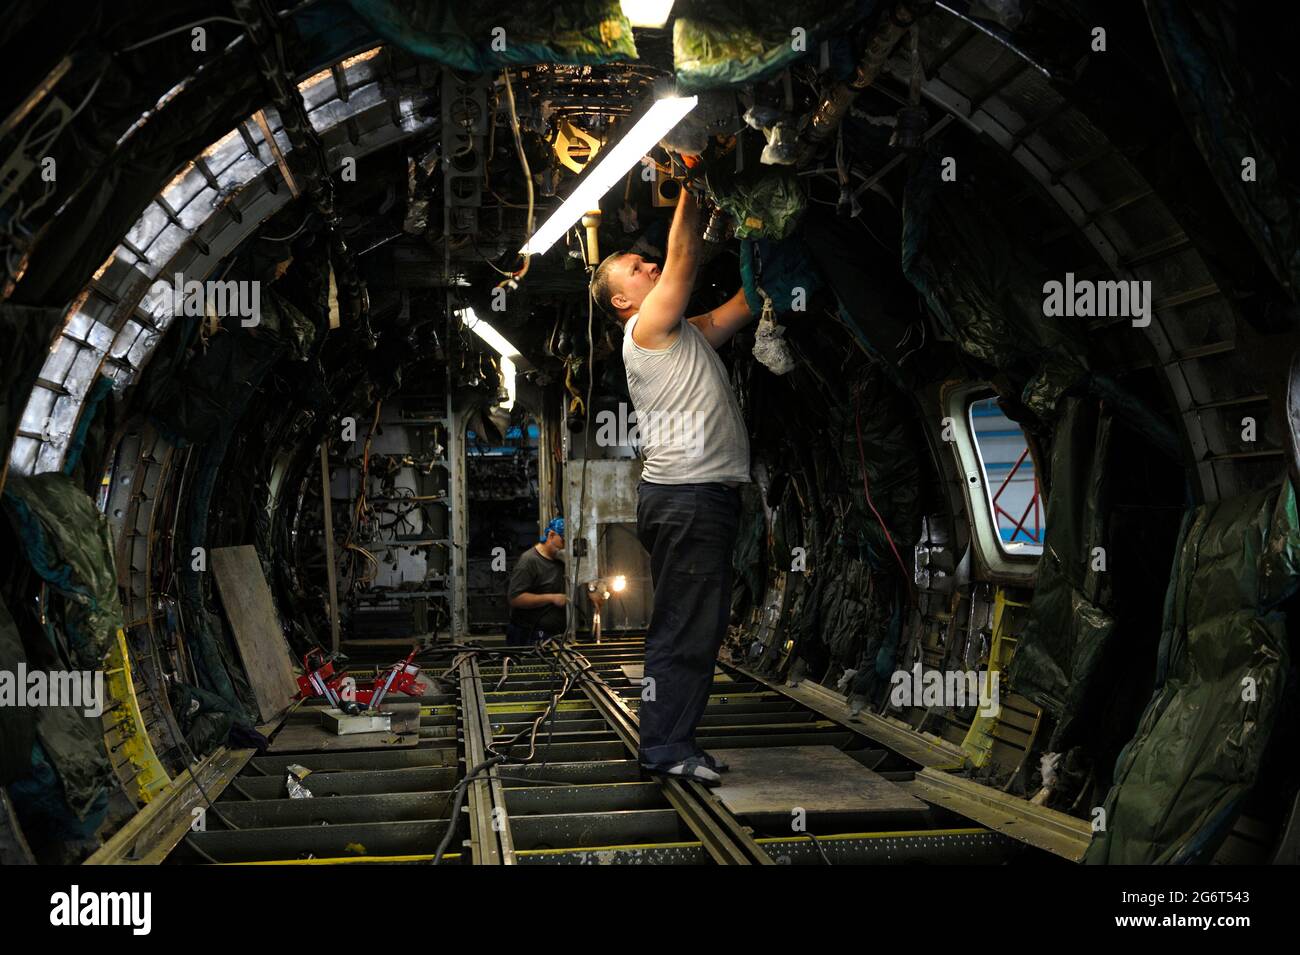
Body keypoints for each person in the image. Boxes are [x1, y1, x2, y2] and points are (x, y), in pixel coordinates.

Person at [589, 189, 757, 786]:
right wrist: (690, 183)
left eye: (648, 262)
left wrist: (763, 270)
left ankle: (676, 740)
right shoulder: (646, 328)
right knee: (685, 624)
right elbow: (683, 260)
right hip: (687, 497)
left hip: (697, 498)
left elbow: (735, 312)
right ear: (622, 300)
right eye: (638, 269)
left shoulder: (678, 336)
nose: (651, 267)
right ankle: (664, 748)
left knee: (697, 622)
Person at [506, 517, 569, 644]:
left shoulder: (560, 561)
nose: (565, 547)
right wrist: (552, 598)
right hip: (529, 635)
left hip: (554, 634)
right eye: (563, 541)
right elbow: (515, 598)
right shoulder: (529, 561)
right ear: (551, 535)